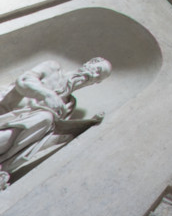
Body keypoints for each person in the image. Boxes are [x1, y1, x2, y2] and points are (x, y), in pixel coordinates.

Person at [0, 57, 111, 189]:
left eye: (98, 78)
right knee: (45, 117)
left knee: (46, 119)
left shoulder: (68, 103)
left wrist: (84, 126)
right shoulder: (53, 68)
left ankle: (4, 163)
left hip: (13, 139)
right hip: (5, 112)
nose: (93, 76)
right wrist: (46, 95)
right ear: (90, 63)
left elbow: (49, 134)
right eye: (97, 70)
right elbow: (23, 81)